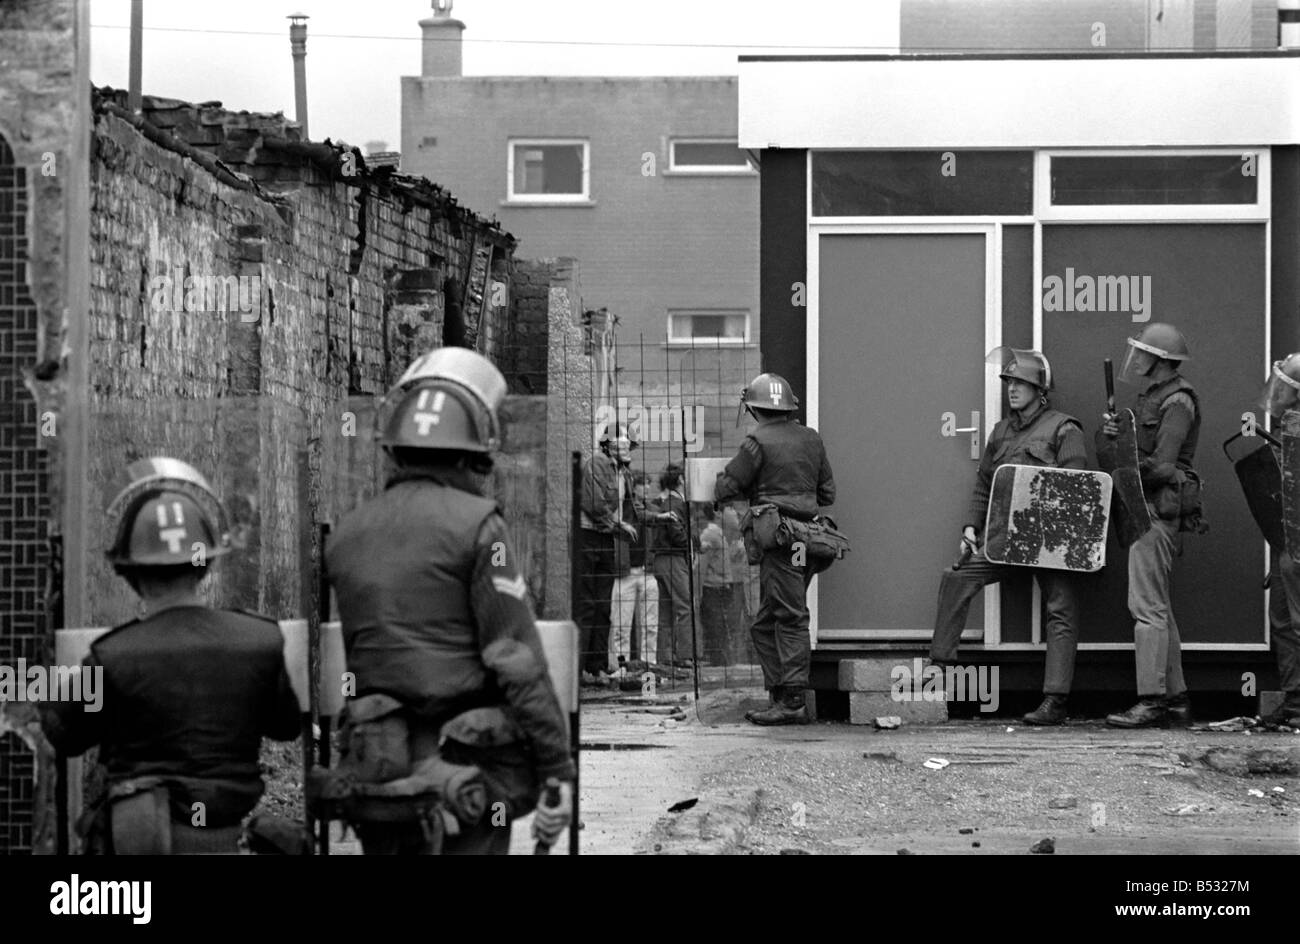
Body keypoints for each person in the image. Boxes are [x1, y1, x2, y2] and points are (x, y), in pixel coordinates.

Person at [326, 347, 574, 854]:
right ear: (474, 454)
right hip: (466, 772)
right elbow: (515, 660)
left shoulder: (345, 536)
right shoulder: (482, 527)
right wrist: (556, 770)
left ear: (393, 449)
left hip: (380, 769)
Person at [39, 457, 301, 854]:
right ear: (205, 563)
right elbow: (286, 726)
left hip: (137, 842)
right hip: (222, 838)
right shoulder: (261, 641)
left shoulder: (111, 656)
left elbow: (66, 734)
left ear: (129, 571)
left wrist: (44, 686)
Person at [929, 348, 1086, 725]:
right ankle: (938, 670)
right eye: (1010, 382)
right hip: (1003, 538)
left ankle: (1055, 700)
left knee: (1060, 608)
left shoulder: (1066, 429)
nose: (1012, 389)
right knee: (957, 577)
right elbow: (984, 484)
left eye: (1021, 383)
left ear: (1040, 389)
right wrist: (972, 528)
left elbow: (1077, 491)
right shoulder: (1001, 431)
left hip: (1048, 541)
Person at [716, 372, 836, 725]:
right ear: (787, 406)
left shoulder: (756, 442)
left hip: (781, 542)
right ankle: (781, 694)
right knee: (766, 623)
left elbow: (728, 485)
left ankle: (793, 700)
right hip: (808, 542)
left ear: (754, 408)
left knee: (789, 616)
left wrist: (728, 489)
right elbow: (827, 494)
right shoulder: (811, 439)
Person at [1102, 323, 1201, 728]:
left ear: (1160, 359)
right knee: (1159, 609)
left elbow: (1162, 465)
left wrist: (1127, 464)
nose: (1136, 359)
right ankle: (1175, 700)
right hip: (1148, 511)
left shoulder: (1178, 401)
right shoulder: (1156, 397)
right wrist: (1115, 435)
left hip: (1157, 513)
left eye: (1142, 352)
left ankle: (1151, 700)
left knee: (1146, 609)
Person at [1254, 353, 1300, 726]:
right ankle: (1295, 700)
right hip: (1286, 540)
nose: (1279, 393)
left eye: (1286, 387)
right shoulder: (1288, 428)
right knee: (1283, 620)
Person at [578, 422, 639, 681]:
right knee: (587, 604)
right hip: (588, 537)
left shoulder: (624, 474)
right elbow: (593, 503)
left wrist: (663, 517)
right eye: (626, 444)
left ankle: (597, 665)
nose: (630, 450)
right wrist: (618, 525)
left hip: (606, 539)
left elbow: (634, 509)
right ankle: (580, 666)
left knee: (604, 606)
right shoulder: (597, 464)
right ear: (610, 444)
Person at [610, 478, 659, 671]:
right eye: (642, 484)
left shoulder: (652, 511)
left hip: (647, 572)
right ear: (633, 489)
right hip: (625, 573)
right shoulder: (620, 512)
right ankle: (622, 666)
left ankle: (650, 664)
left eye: (649, 483)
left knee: (651, 624)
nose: (647, 487)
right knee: (621, 625)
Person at [649, 463, 692, 667]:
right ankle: (685, 655)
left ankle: (664, 656)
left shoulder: (666, 502)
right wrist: (689, 542)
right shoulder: (676, 503)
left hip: (661, 559)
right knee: (685, 606)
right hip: (674, 558)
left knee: (665, 610)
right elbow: (677, 532)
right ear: (681, 480)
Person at [698, 504, 731, 666]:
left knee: (713, 621)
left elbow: (701, 565)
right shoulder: (719, 532)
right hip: (721, 583)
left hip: (712, 584)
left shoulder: (709, 534)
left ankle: (716, 658)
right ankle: (721, 657)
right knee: (719, 621)